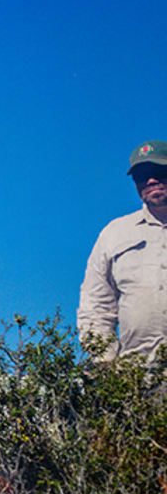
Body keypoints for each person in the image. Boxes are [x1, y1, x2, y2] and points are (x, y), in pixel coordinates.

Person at [78, 140, 167, 362]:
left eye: (159, 171)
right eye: (142, 175)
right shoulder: (114, 234)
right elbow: (96, 305)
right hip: (138, 379)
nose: (151, 180)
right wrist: (105, 366)